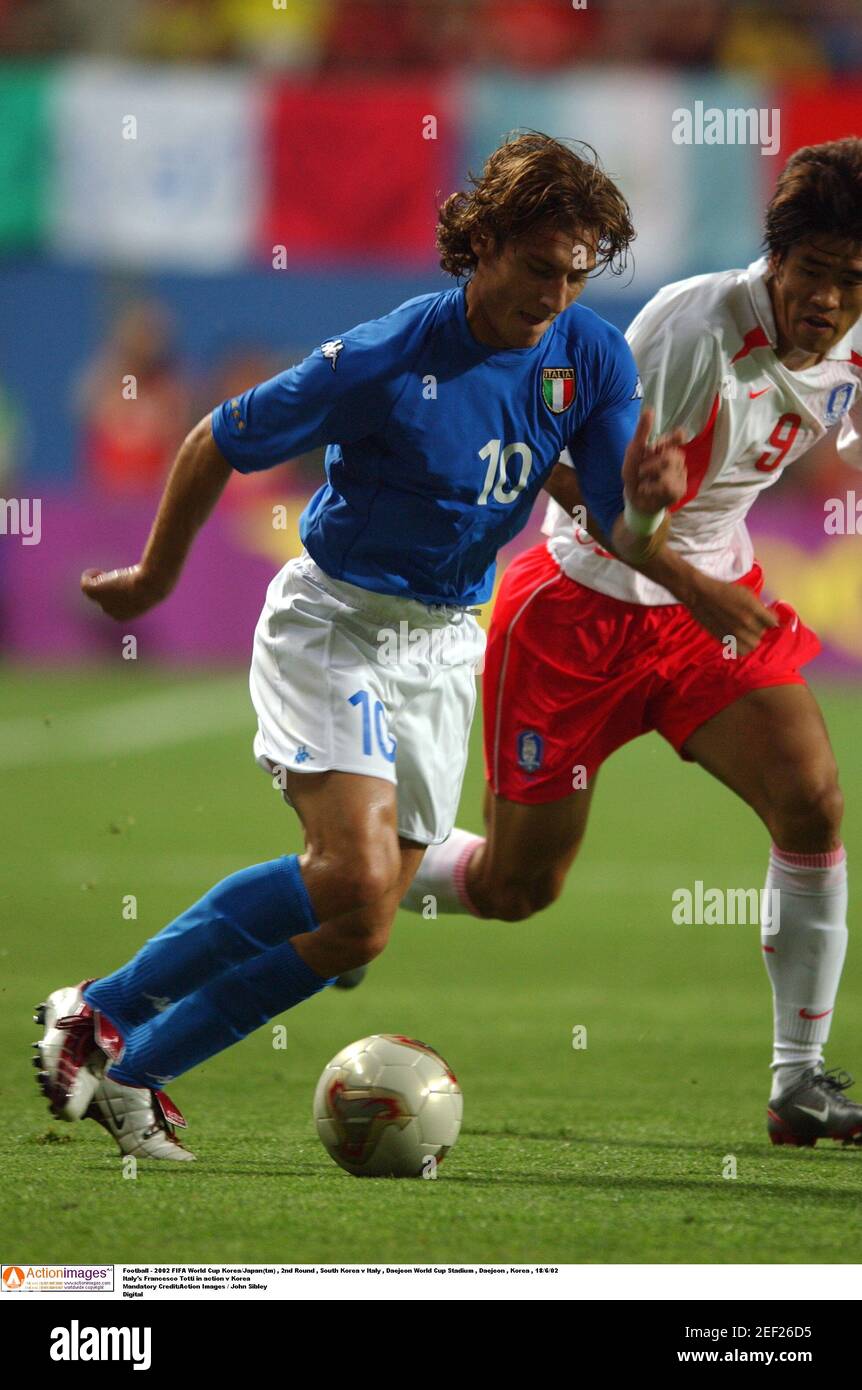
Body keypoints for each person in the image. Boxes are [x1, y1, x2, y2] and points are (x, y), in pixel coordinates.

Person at [33, 132, 686, 1160]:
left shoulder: (590, 357)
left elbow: (613, 522)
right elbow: (218, 437)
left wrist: (645, 512)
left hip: (442, 651)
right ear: (482, 243)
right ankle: (98, 1011)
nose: (555, 294)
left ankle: (140, 1075)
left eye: (573, 273)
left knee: (360, 924)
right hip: (336, 623)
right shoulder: (390, 352)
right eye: (536, 267)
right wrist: (155, 578)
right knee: (349, 875)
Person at [401, 137, 862, 1149]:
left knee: (812, 802)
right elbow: (565, 471)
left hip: (707, 609)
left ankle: (798, 1083)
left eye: (852, 282)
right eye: (814, 275)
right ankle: (370, 875)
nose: (829, 302)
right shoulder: (687, 334)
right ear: (773, 260)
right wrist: (670, 559)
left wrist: (699, 581)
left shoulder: (850, 343)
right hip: (578, 608)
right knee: (516, 889)